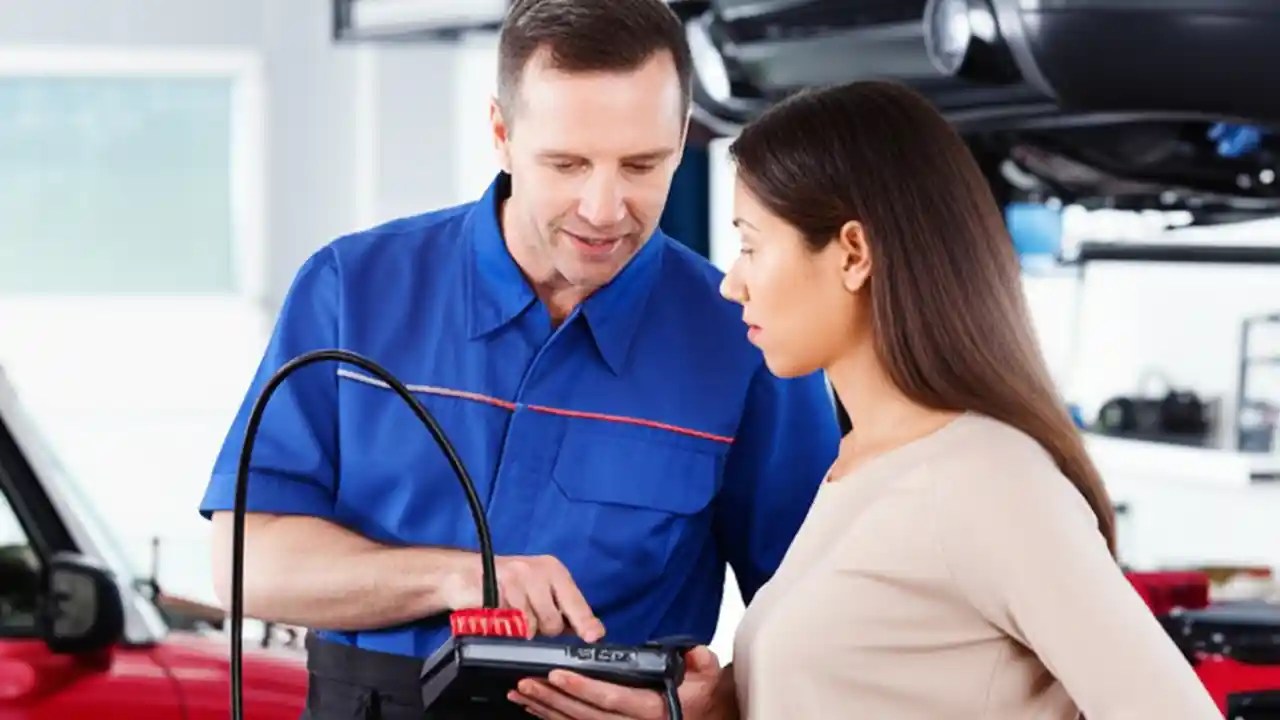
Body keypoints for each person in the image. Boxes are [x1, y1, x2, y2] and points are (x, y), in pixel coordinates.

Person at [197, 0, 840, 717]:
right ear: (501, 134)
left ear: (683, 136)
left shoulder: (747, 338)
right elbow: (246, 563)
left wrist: (711, 705)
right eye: (567, 164)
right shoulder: (352, 290)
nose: (604, 208)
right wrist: (454, 578)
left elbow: (823, 624)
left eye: (642, 165)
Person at [507, 81, 1222, 719]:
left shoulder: (988, 480)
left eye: (752, 246)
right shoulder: (860, 466)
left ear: (852, 253)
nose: (732, 283)